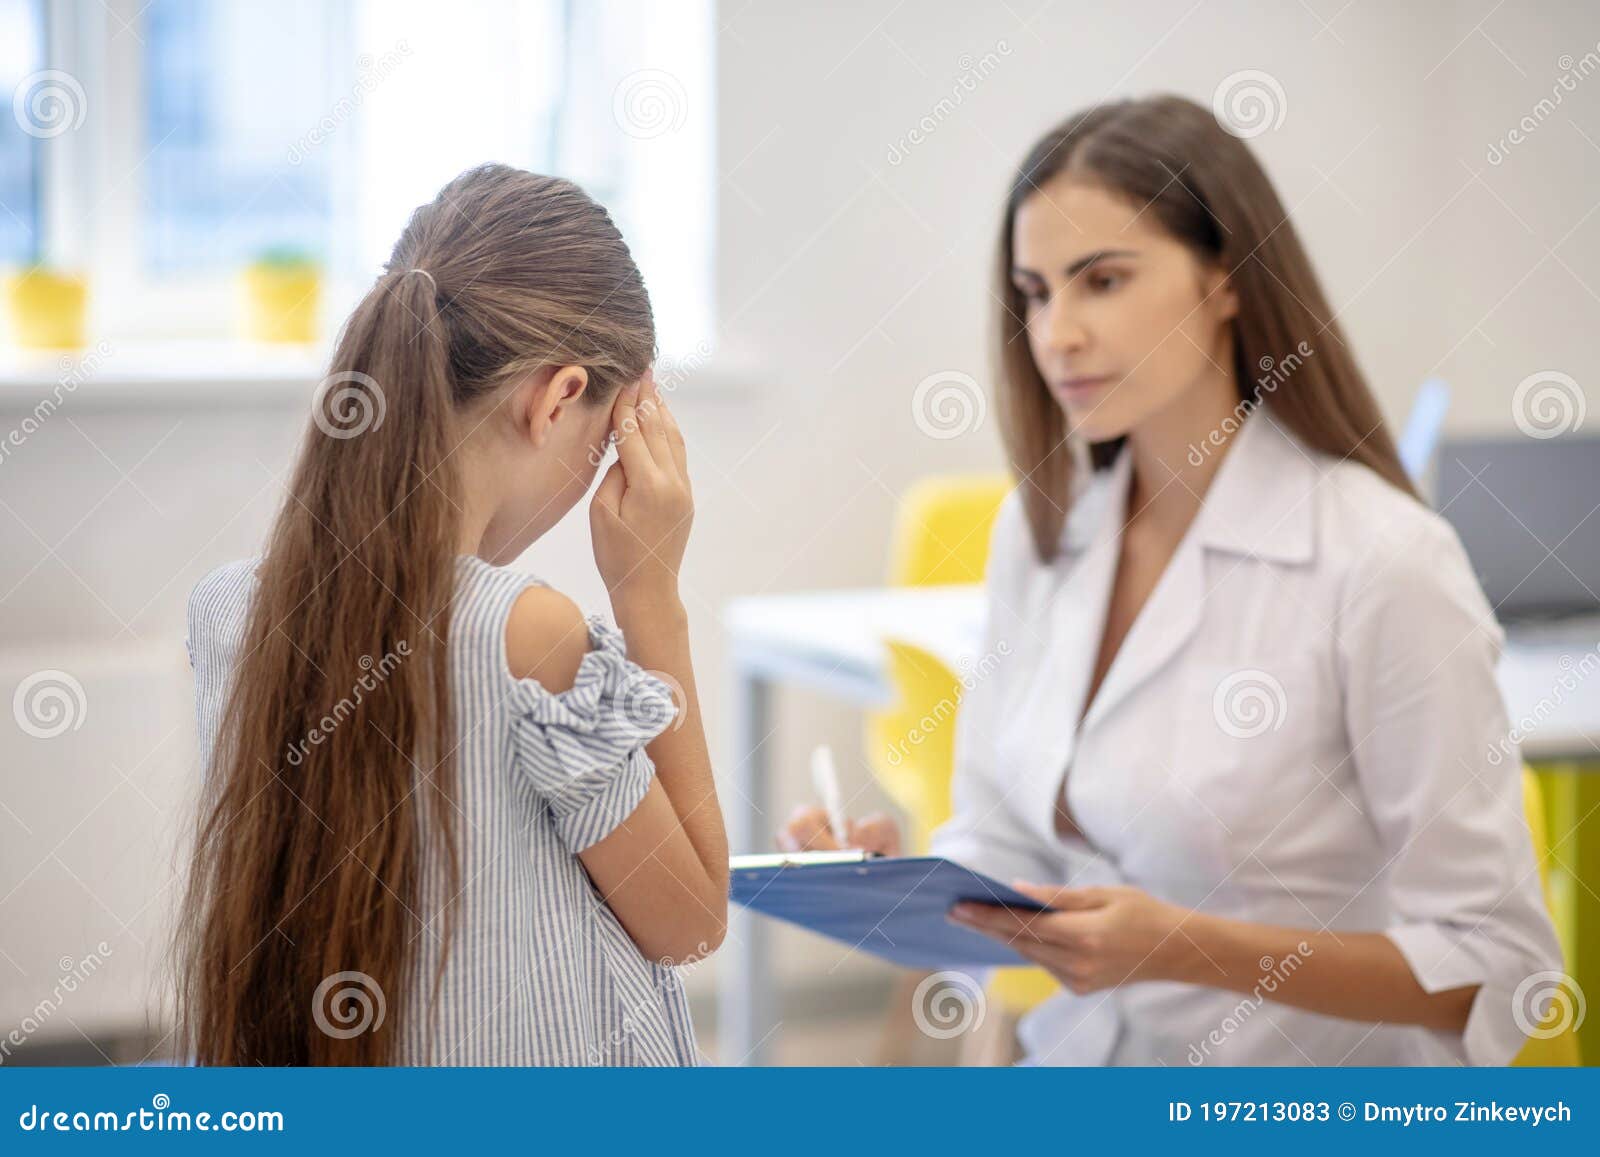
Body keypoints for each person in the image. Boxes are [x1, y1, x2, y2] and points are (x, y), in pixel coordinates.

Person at [781, 96, 1563, 1066]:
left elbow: (1504, 969)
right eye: (1032, 292)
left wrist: (1188, 946)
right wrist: (897, 886)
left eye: (1100, 280)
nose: (1055, 332)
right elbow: (1008, 842)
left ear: (1226, 277)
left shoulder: (1381, 560)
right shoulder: (1044, 539)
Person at [179, 164, 725, 1065]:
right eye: (607, 442)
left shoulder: (228, 612)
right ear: (556, 400)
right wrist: (651, 594)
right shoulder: (529, 636)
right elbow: (693, 922)